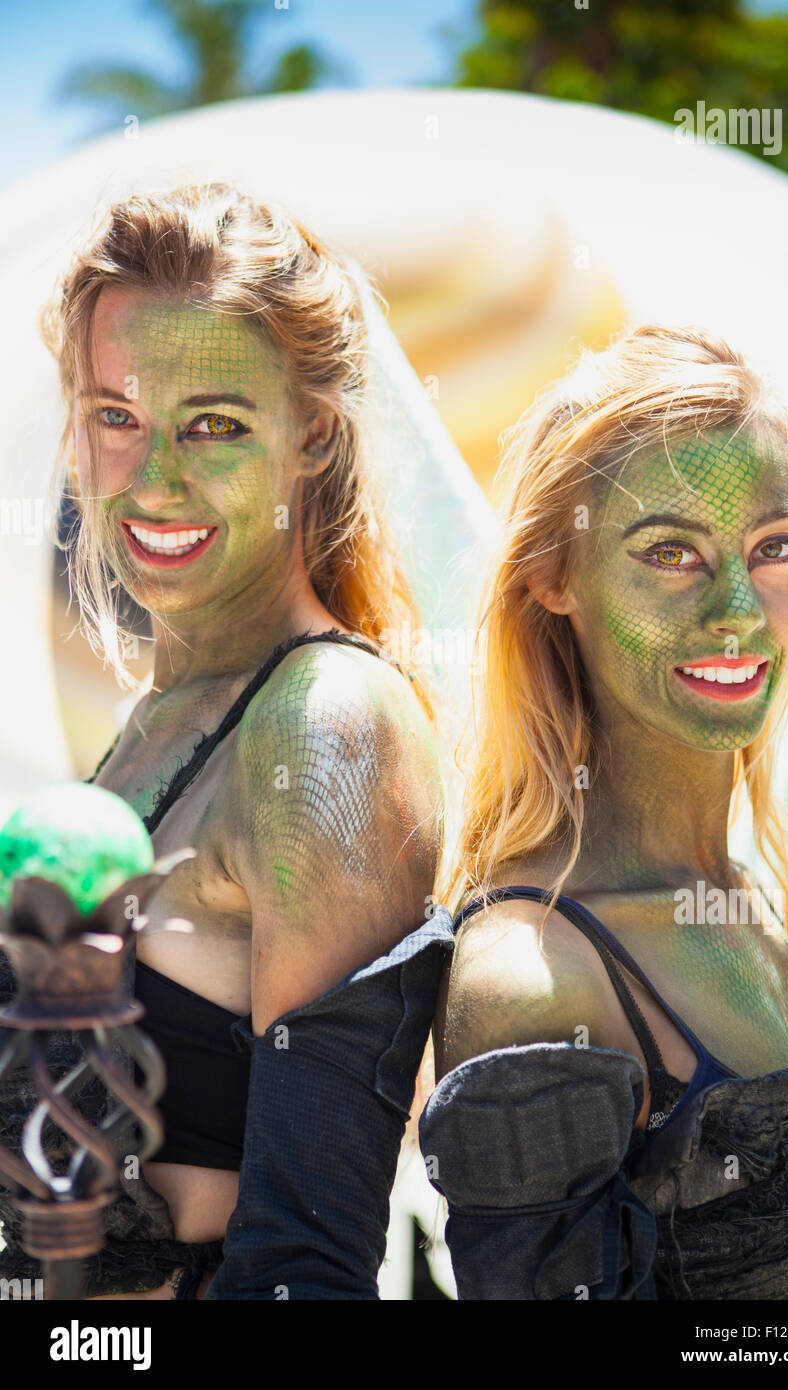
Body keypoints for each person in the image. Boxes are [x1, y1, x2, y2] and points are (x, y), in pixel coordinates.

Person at [0, 183, 453, 1299]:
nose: (154, 478)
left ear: (311, 437)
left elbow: (306, 1258)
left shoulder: (320, 725)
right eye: (117, 415)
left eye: (215, 424)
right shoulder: (153, 725)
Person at [419, 324, 788, 1300]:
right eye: (670, 551)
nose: (738, 607)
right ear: (554, 576)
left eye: (775, 546)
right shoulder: (533, 978)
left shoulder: (747, 904)